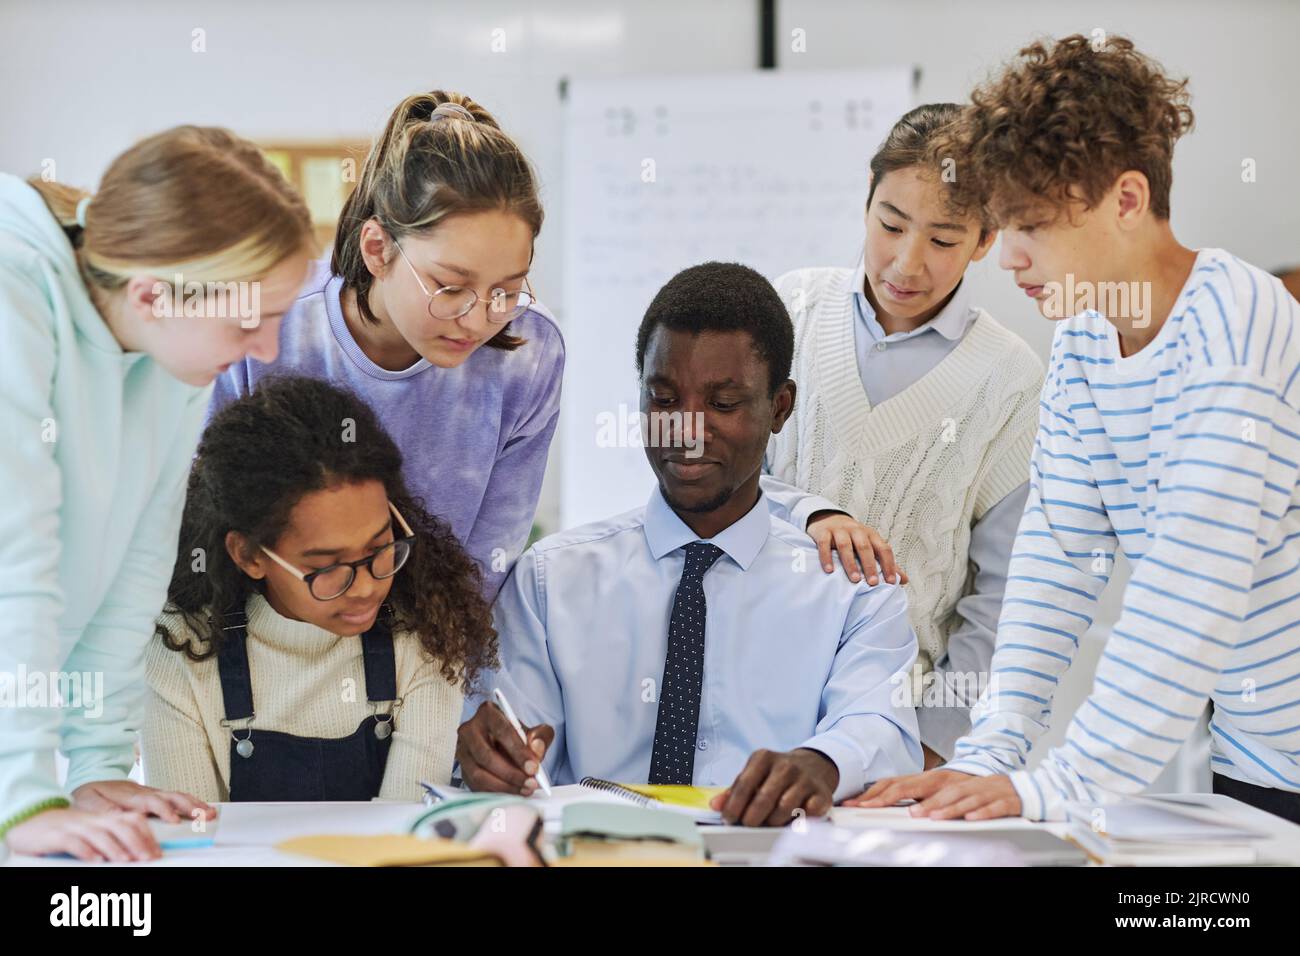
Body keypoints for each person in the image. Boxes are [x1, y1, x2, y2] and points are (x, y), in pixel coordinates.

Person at [852, 34, 1300, 824]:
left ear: (1126, 201)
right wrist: (991, 753)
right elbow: (1057, 563)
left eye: (1031, 227)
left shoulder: (1237, 325)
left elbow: (1187, 593)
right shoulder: (1086, 341)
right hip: (1253, 758)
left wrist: (1060, 783)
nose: (1010, 258)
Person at [457, 262, 922, 826]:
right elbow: (516, 746)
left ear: (780, 407)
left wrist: (821, 762)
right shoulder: (551, 581)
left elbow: (881, 730)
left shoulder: (851, 591)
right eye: (664, 400)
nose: (687, 429)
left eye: (723, 404)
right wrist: (496, 762)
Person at [0, 126, 314, 861]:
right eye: (249, 320)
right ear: (150, 292)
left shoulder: (172, 355)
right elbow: (14, 558)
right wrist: (21, 795)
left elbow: (135, 571)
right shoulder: (12, 295)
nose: (266, 348)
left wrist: (97, 769)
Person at [767, 104, 1043, 766]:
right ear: (867, 195)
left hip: (892, 734)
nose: (907, 262)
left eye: (944, 241)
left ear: (985, 239)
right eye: (891, 224)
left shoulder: (1010, 380)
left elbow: (1002, 599)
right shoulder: (789, 311)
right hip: (750, 701)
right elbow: (712, 485)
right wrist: (809, 512)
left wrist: (928, 747)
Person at [143, 376, 498, 803]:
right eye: (328, 567)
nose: (367, 587)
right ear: (250, 555)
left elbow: (405, 834)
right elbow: (192, 847)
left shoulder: (427, 636)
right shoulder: (182, 650)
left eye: (380, 548)